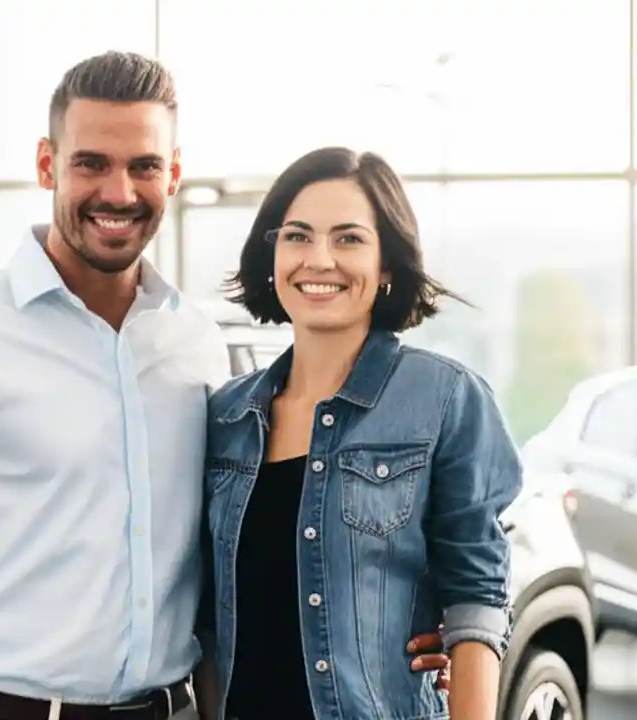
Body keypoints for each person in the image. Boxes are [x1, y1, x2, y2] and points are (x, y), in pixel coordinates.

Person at [0, 51, 449, 720]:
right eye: (92, 164)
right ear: (47, 164)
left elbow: (249, 550)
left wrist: (410, 614)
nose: (119, 193)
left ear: (174, 174)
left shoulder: (194, 343)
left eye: (143, 166)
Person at [200, 146, 522, 720]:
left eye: (348, 239)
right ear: (272, 255)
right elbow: (203, 610)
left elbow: (476, 602)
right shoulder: (226, 418)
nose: (319, 258)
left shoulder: (444, 399)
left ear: (387, 266)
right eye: (297, 236)